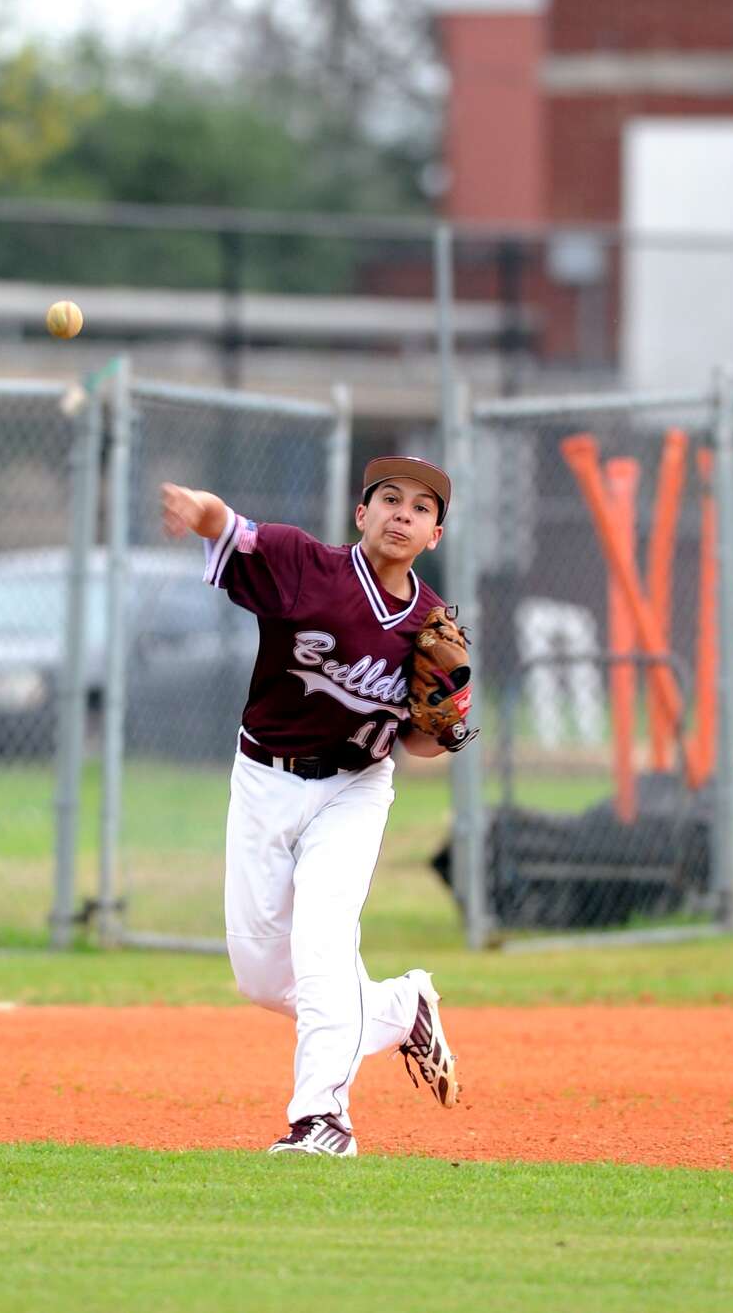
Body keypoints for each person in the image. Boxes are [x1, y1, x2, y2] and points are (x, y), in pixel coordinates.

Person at [160, 456, 471, 1158]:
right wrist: (194, 506)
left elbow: (426, 745)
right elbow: (229, 527)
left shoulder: (434, 627)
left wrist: (440, 716)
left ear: (434, 536)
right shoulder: (302, 566)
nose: (402, 513)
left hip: (353, 790)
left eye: (421, 509)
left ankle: (322, 1121)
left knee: (324, 943)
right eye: (389, 499)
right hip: (263, 779)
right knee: (263, 978)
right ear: (361, 514)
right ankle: (400, 1007)